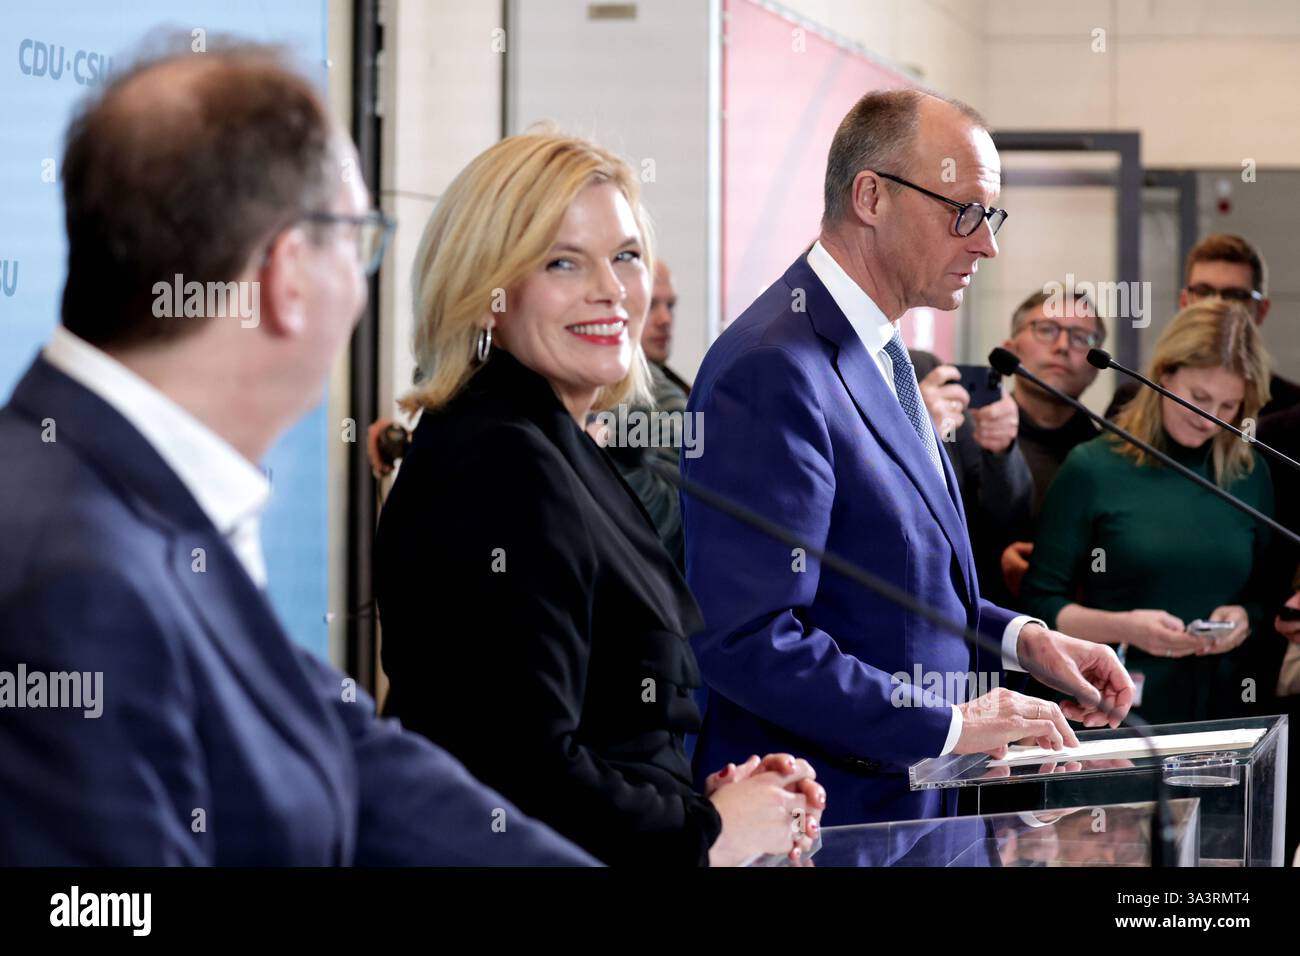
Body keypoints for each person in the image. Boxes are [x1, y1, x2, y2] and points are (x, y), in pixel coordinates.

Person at [0, 42, 595, 866]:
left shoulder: (135, 495)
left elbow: (352, 758)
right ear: (287, 274)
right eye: (360, 241)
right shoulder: (76, 574)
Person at [682, 89, 1133, 827]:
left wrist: (1026, 641)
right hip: (827, 816)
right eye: (966, 212)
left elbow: (892, 590)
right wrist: (952, 728)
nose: (987, 244)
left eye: (991, 217)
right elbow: (749, 637)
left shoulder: (884, 351)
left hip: (912, 809)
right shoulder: (773, 365)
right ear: (871, 197)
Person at [373, 132, 825, 866]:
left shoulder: (553, 442)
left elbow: (594, 734)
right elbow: (514, 772)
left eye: (625, 255)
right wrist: (704, 836)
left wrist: (711, 802)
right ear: (487, 293)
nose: (612, 289)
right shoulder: (501, 459)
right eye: (562, 262)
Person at [1020, 300, 1275, 726]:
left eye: (1229, 407)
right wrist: (1125, 627)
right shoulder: (1093, 467)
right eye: (1198, 398)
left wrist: (1245, 618)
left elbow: (1268, 593)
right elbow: (1039, 605)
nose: (1210, 420)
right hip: (1118, 714)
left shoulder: (1250, 472)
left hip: (1226, 714)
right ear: (1162, 375)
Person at [1108, 233, 1300, 419]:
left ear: (1261, 310)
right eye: (1203, 291)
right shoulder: (1132, 402)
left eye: (1234, 295)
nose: (1216, 305)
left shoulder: (1289, 409)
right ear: (1184, 302)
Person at [601, 260, 692, 568]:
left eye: (670, 306)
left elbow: (675, 524)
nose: (665, 319)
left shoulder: (665, 395)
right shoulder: (600, 389)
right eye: (652, 305)